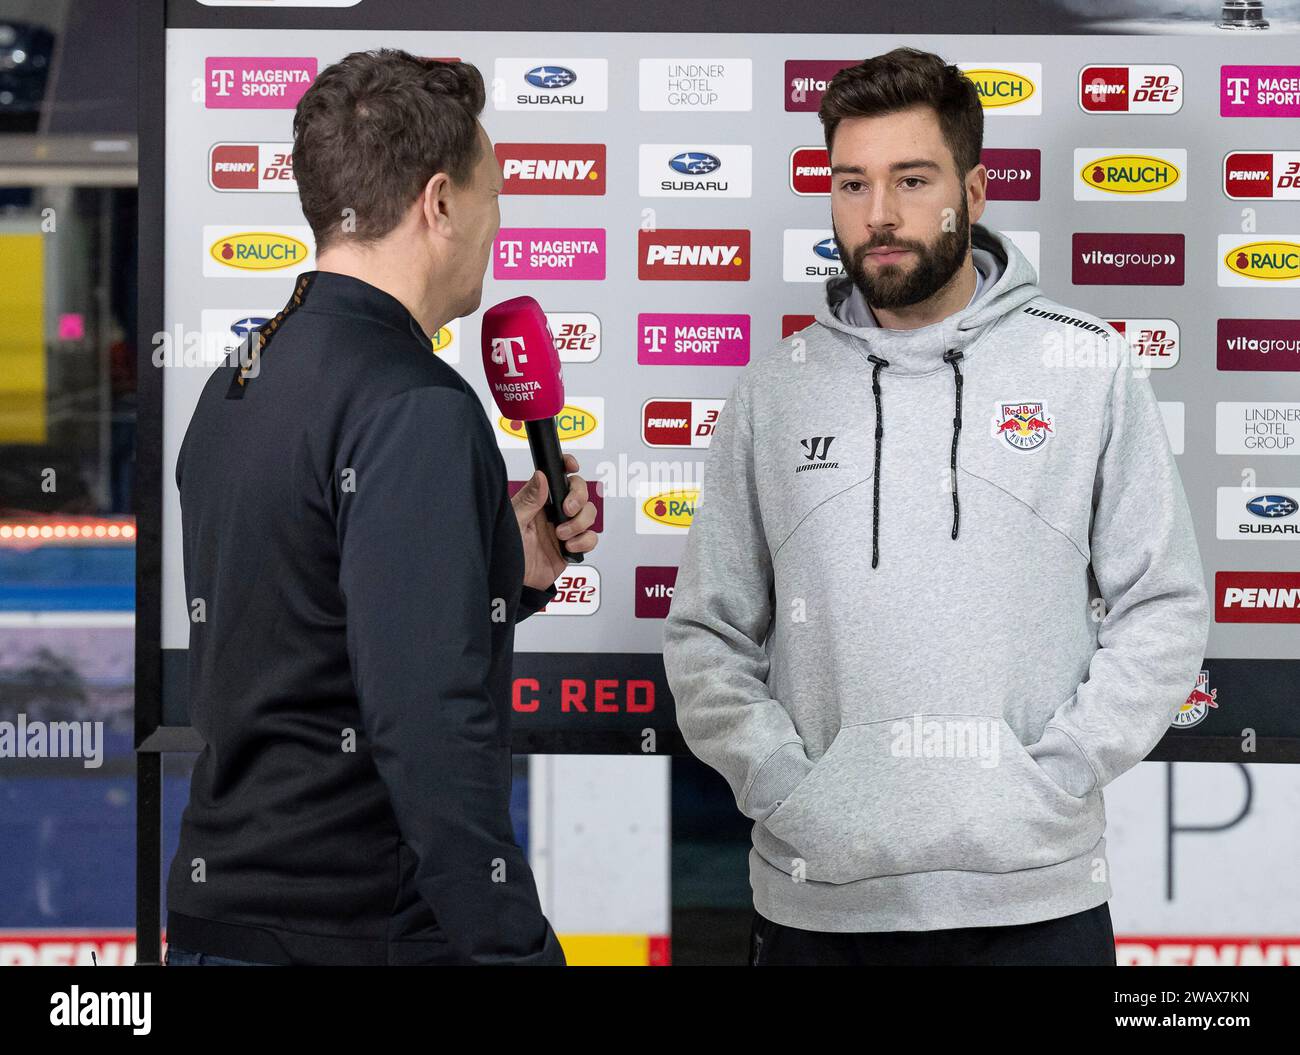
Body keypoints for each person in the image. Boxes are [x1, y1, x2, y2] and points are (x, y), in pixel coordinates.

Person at [662, 47, 1210, 966]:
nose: (878, 215)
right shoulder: (772, 390)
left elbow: (1163, 606)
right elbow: (705, 636)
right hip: (819, 906)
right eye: (852, 183)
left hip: (1036, 902)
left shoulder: (1087, 367)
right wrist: (795, 792)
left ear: (977, 191)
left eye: (913, 180)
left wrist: (1049, 784)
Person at [165, 51, 596, 966]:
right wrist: (513, 947)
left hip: (220, 922)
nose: (496, 225)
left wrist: (495, 570)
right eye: (492, 196)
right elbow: (423, 719)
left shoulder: (233, 385)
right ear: (439, 203)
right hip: (364, 932)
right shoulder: (417, 405)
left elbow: (308, 622)